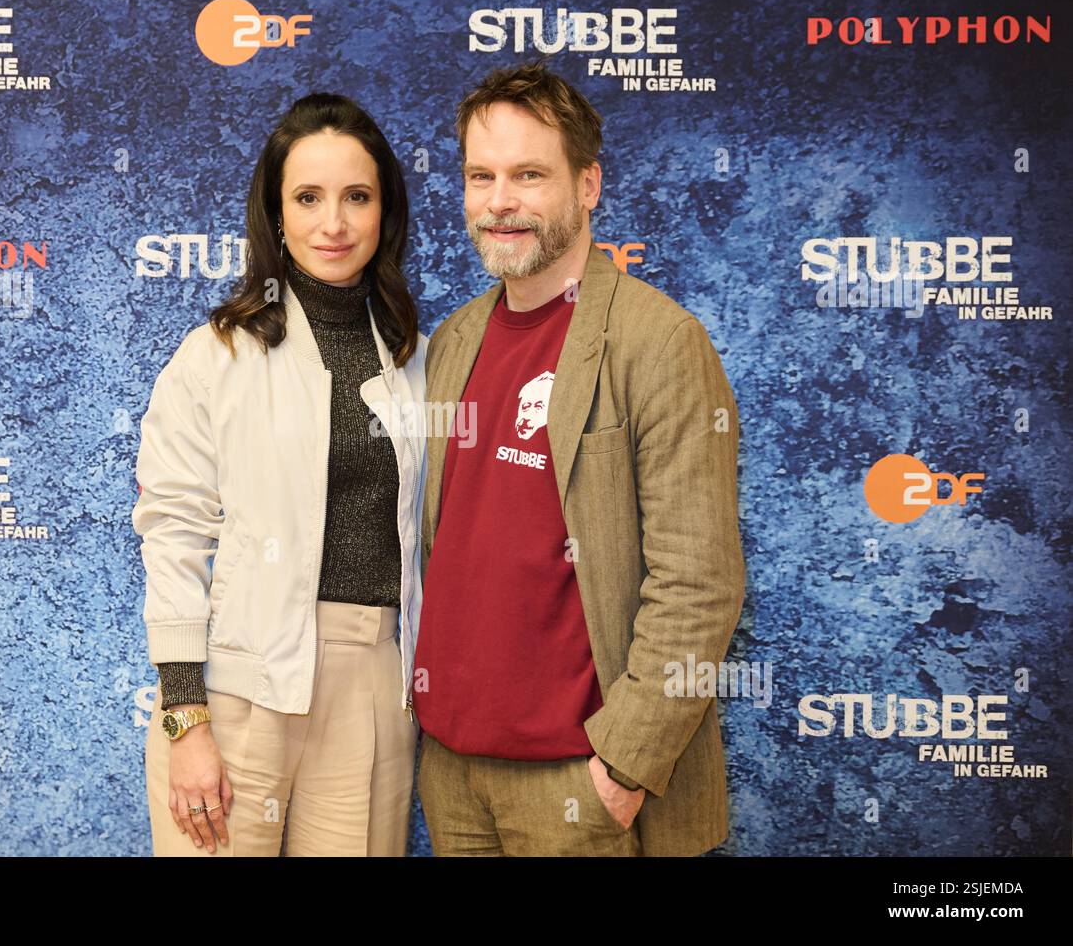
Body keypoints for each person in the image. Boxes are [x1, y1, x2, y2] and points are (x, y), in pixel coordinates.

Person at [414, 60, 746, 856]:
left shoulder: (658, 341)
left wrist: (623, 765)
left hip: (578, 781)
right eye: (481, 176)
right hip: (452, 773)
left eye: (530, 175)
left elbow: (700, 582)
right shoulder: (453, 341)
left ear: (588, 185)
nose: (500, 202)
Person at [132, 92, 427, 856]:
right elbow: (173, 533)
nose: (333, 223)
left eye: (356, 197)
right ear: (275, 211)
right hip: (234, 697)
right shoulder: (218, 354)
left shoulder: (417, 357)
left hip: (370, 687)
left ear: (385, 210)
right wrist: (184, 716)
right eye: (308, 197)